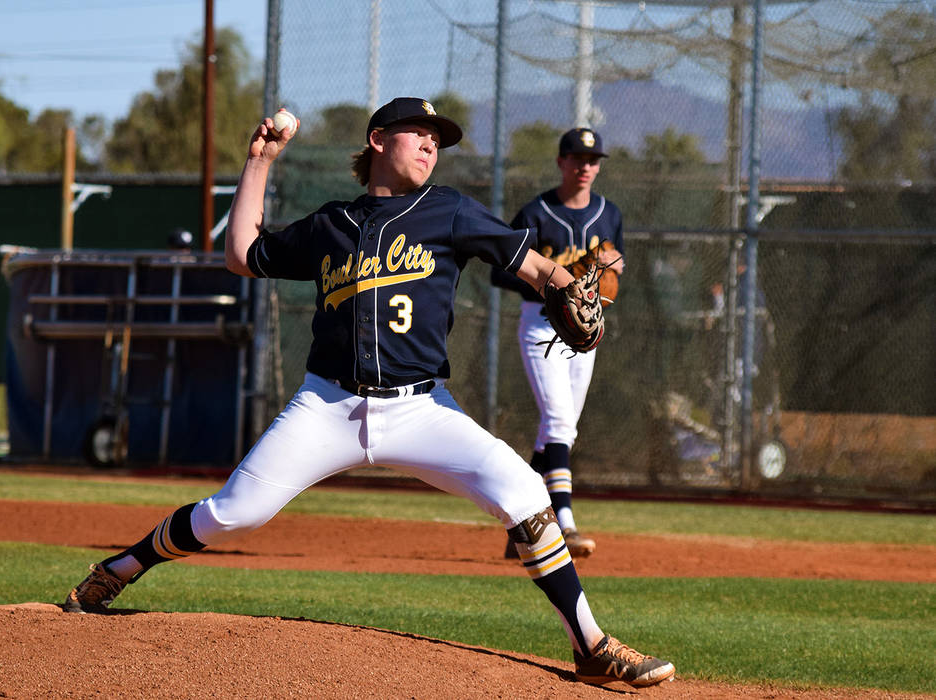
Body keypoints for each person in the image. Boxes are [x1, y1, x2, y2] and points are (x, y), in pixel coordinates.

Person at [60, 98, 674, 689]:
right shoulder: (332, 224)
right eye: (418, 132)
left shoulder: (452, 212)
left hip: (421, 410)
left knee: (525, 491)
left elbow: (538, 269)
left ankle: (590, 646)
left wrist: (572, 289)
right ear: (379, 141)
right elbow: (243, 254)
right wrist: (259, 161)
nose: (432, 144)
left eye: (440, 139)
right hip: (327, 405)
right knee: (233, 514)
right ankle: (122, 568)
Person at [491, 127, 625, 560]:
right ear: (561, 162)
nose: (586, 166)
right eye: (577, 158)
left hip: (585, 329)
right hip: (541, 324)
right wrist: (558, 281)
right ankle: (564, 523)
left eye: (593, 159)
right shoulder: (536, 212)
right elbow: (500, 271)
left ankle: (520, 529)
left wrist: (606, 270)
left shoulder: (609, 214)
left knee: (558, 429)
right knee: (560, 420)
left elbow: (616, 273)